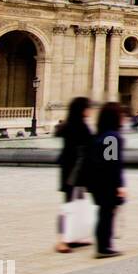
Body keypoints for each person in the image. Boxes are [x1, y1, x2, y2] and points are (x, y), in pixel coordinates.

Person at [83, 102, 127, 259]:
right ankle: (104, 247)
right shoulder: (112, 138)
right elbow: (112, 163)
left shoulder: (100, 135)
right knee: (106, 215)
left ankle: (103, 244)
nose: (123, 118)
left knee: (104, 214)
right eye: (121, 115)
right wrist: (119, 185)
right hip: (107, 183)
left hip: (97, 182)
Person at [54, 97, 94, 254]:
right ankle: (61, 240)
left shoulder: (76, 125)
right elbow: (82, 149)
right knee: (68, 207)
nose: (90, 110)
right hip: (72, 173)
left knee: (76, 205)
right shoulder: (75, 127)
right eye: (88, 107)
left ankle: (74, 236)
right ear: (82, 109)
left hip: (76, 172)